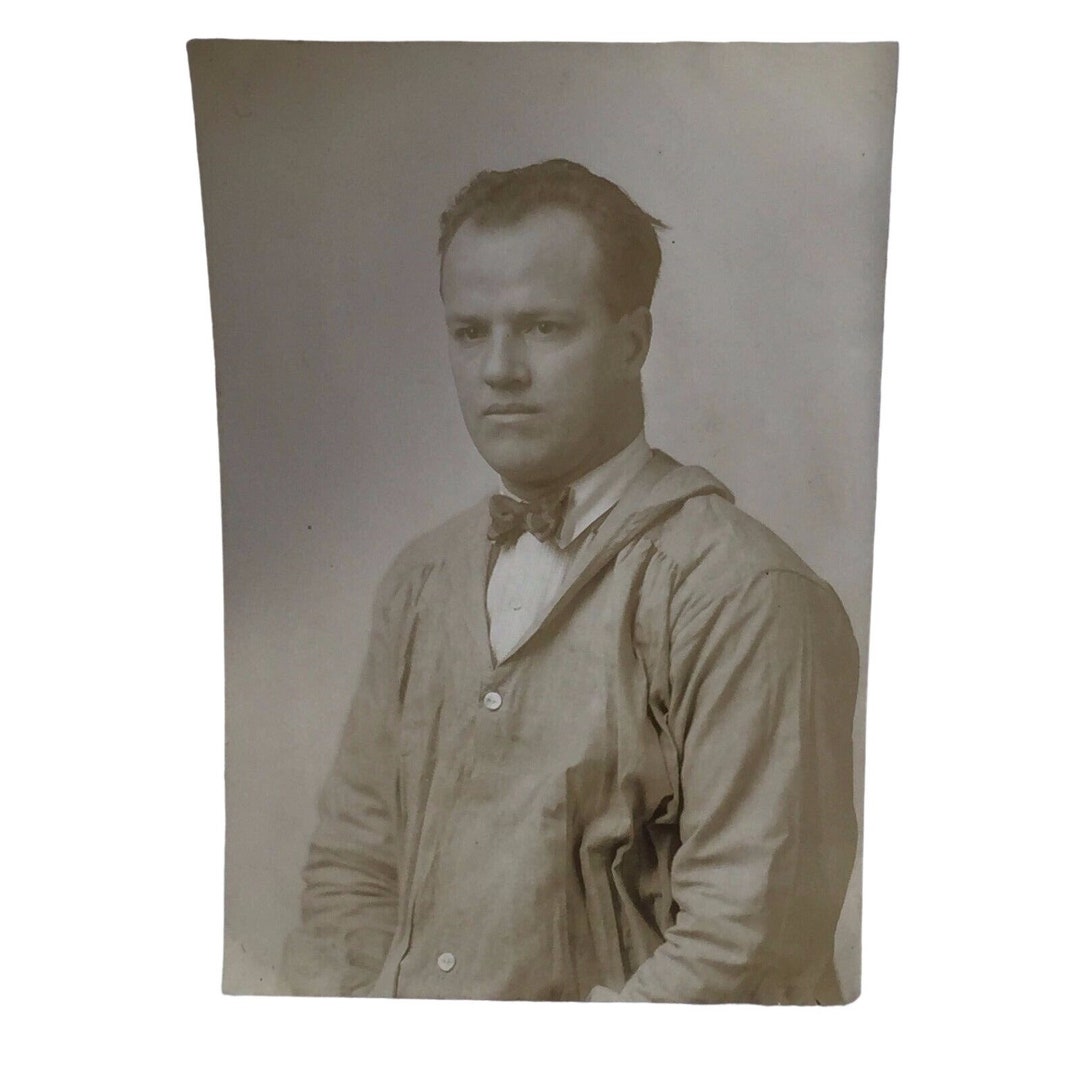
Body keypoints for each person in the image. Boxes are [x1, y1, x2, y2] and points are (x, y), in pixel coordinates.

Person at [282, 158, 859, 1004]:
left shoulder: (743, 592)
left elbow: (744, 946)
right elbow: (351, 878)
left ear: (633, 343)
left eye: (544, 328)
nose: (499, 369)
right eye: (469, 332)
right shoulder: (421, 581)